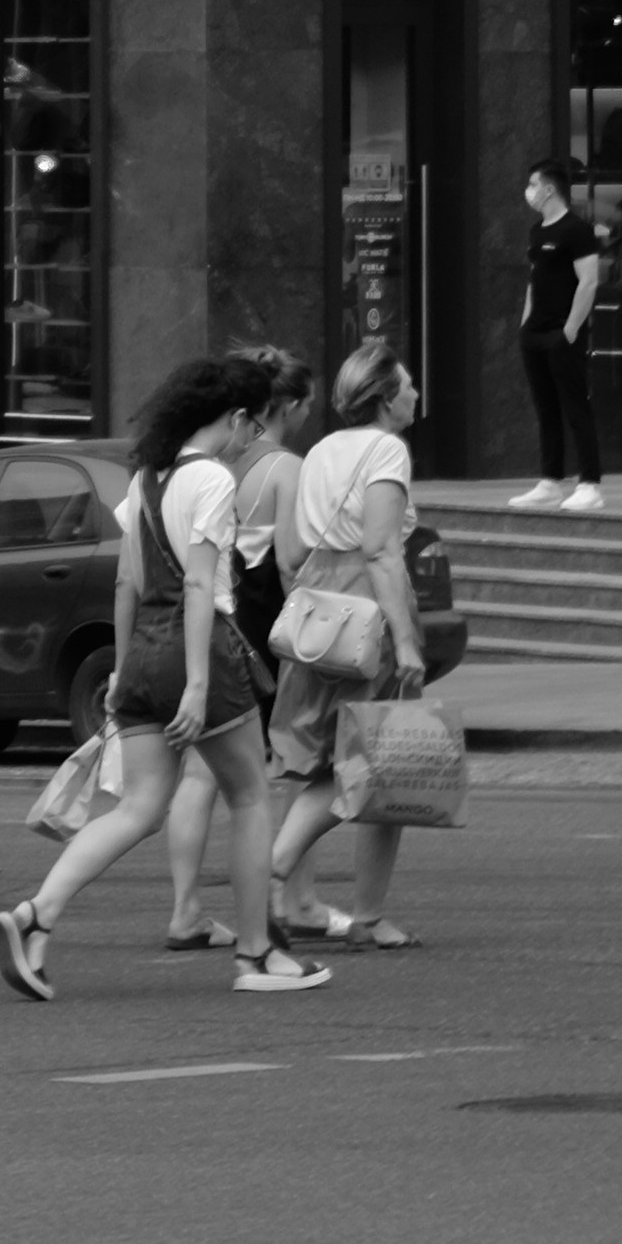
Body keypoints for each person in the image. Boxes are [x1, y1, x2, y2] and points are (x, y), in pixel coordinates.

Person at [0, 357, 330, 1003]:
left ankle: (37, 913)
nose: (247, 440)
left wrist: (121, 671)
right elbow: (201, 583)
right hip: (194, 650)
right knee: (251, 795)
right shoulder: (211, 480)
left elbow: (126, 582)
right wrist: (199, 684)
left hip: (141, 653)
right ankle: (257, 954)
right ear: (233, 418)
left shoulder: (146, 478)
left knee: (140, 806)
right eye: (249, 427)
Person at [268, 342, 433, 951]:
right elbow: (382, 550)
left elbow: (292, 553)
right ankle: (293, 876)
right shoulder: (387, 448)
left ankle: (309, 891)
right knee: (376, 760)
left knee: (322, 754)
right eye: (409, 386)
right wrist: (408, 641)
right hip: (371, 611)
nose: (416, 393)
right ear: (387, 398)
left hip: (318, 609)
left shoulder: (317, 451)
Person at [164, 350, 316, 951]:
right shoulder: (284, 466)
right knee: (268, 778)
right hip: (262, 622)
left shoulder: (214, 463)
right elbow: (288, 562)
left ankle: (185, 907)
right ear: (292, 405)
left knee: (197, 776)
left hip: (216, 619)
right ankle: (275, 912)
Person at [513, 162, 608, 506]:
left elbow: (589, 281)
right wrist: (525, 325)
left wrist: (569, 330)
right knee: (545, 408)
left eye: (533, 183)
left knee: (575, 406)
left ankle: (590, 484)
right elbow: (533, 281)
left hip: (561, 333)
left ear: (549, 189)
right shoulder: (538, 232)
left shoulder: (577, 230)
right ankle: (550, 479)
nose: (530, 190)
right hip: (535, 333)